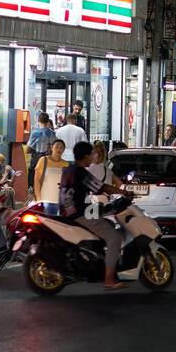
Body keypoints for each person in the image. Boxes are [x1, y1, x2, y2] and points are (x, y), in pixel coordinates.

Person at [59, 141, 127, 290]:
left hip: (68, 213)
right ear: (85, 156)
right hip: (80, 214)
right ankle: (109, 279)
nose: (93, 156)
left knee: (106, 223)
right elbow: (102, 188)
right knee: (114, 237)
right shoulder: (80, 172)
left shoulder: (68, 170)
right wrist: (124, 192)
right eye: (91, 154)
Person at [33, 138, 67, 214]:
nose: (59, 149)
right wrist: (39, 199)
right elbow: (36, 180)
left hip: (60, 202)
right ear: (51, 147)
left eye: (61, 147)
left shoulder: (66, 164)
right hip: (45, 200)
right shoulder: (44, 160)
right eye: (57, 146)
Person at [26, 113, 55, 181]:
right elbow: (54, 147)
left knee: (33, 176)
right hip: (48, 159)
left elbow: (27, 149)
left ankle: (32, 190)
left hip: (36, 159)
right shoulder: (52, 133)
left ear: (38, 121)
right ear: (48, 121)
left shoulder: (35, 133)